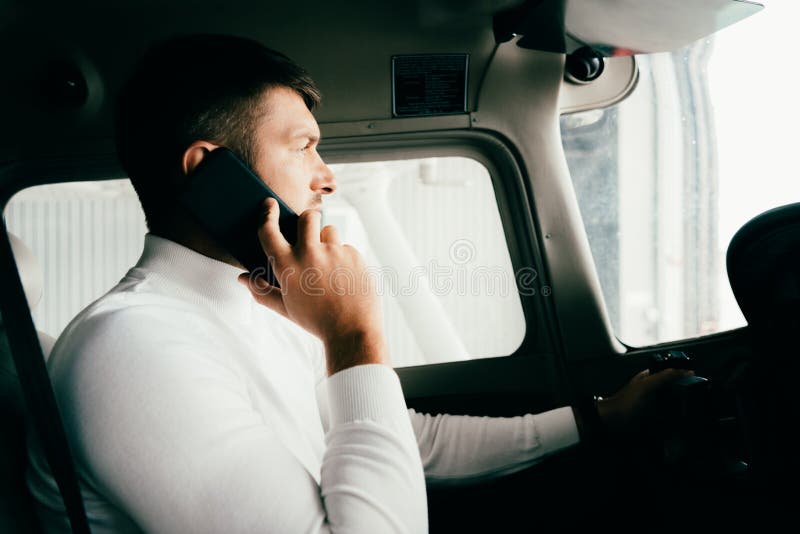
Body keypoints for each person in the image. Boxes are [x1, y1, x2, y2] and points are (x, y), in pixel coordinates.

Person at [27, 34, 690, 533]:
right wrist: (353, 332)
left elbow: (401, 440)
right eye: (303, 146)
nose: (327, 176)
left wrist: (598, 420)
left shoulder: (247, 302)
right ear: (210, 171)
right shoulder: (134, 350)